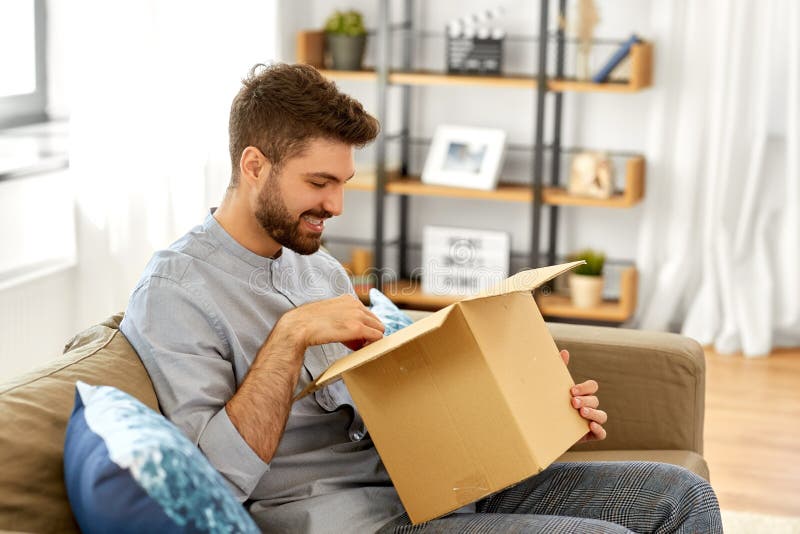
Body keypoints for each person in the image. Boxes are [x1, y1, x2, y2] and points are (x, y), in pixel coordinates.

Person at [120, 63, 722, 533]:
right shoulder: (177, 293)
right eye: (318, 183)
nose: (336, 206)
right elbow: (213, 480)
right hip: (357, 523)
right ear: (254, 165)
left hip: (436, 486)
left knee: (680, 497)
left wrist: (523, 397)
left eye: (343, 183)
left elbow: (391, 402)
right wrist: (290, 334)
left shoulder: (317, 267)